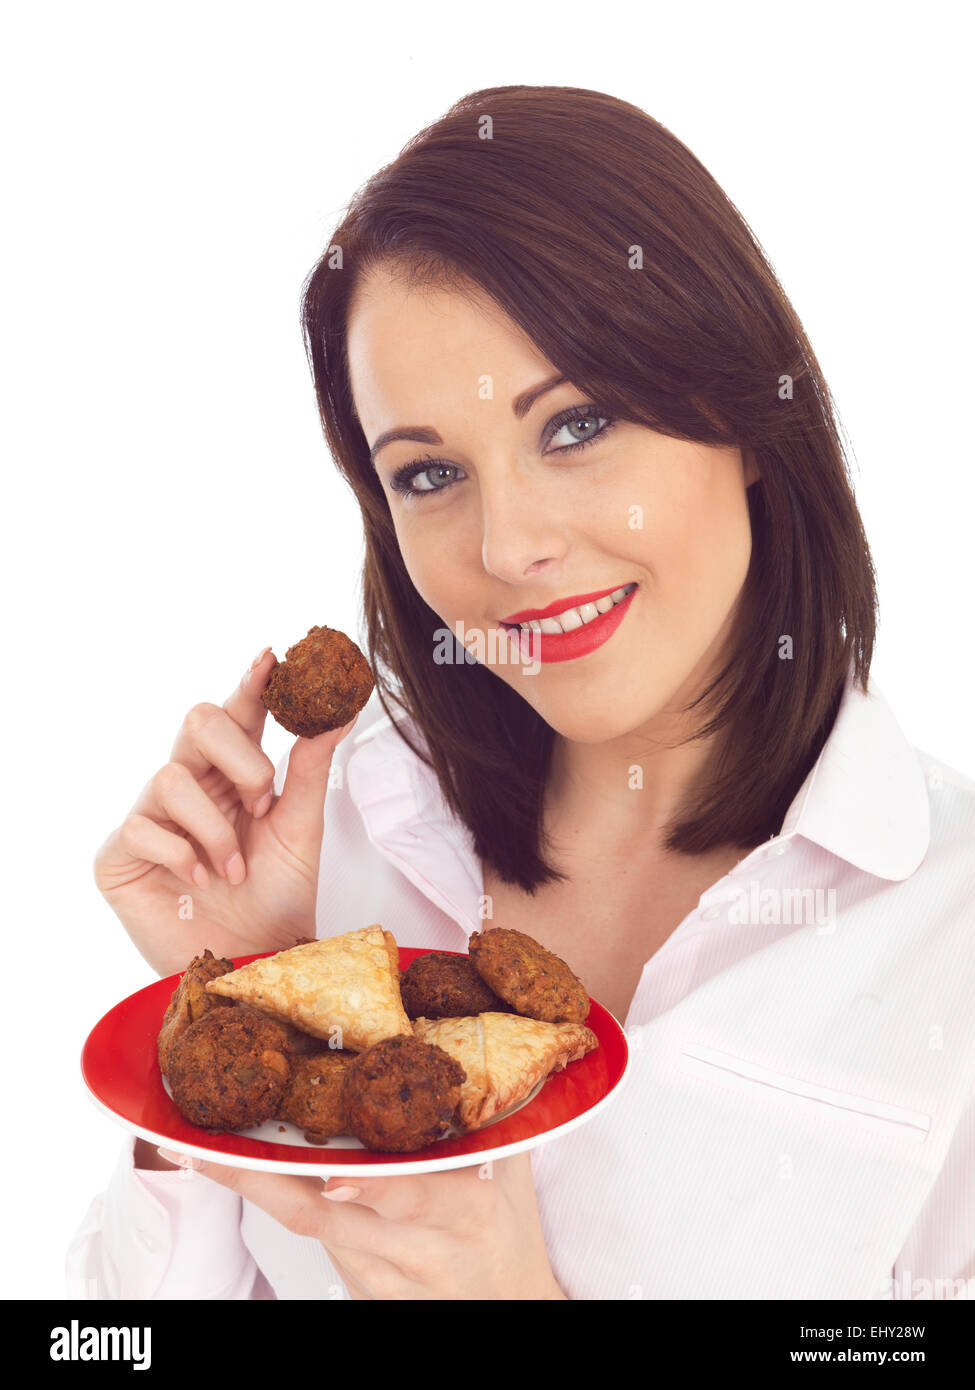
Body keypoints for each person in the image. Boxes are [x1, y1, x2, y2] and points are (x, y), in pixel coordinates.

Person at [69, 85, 975, 1300]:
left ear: (751, 415)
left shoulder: (946, 939)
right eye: (431, 470)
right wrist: (217, 1013)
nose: (507, 547)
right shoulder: (327, 852)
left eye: (576, 424)